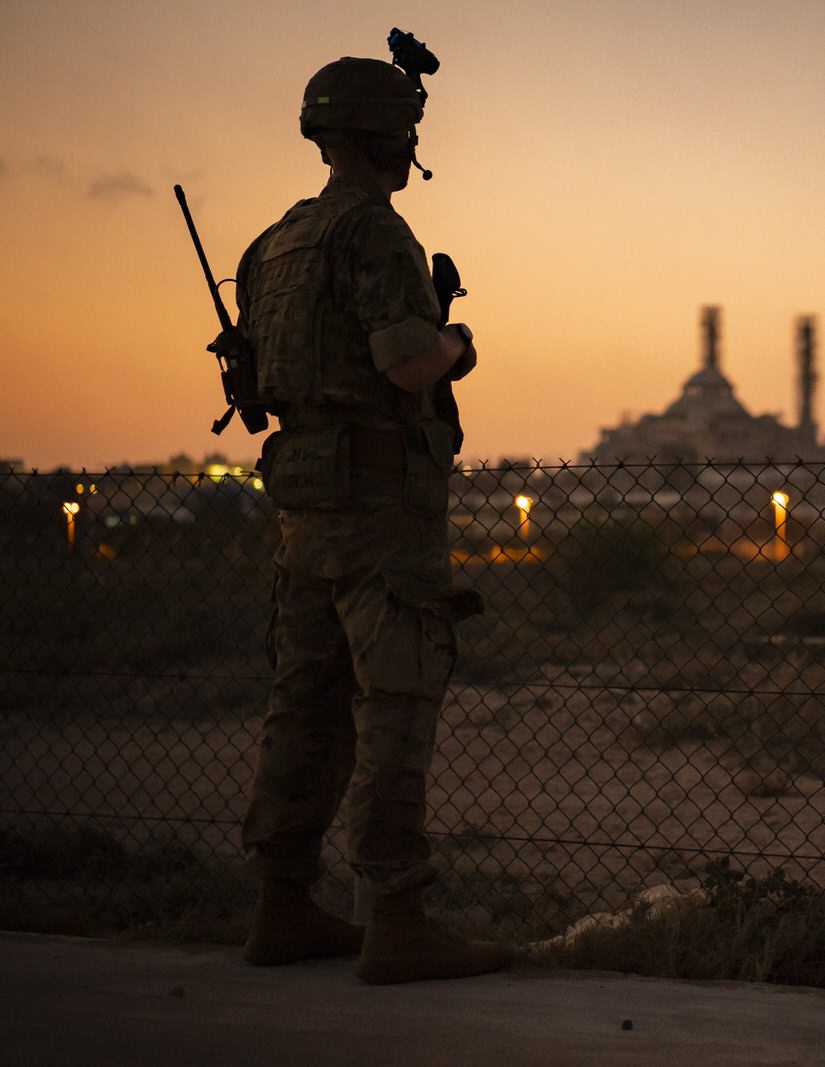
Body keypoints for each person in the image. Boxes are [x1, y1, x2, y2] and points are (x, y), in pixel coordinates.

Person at [235, 54, 511, 984]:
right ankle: (396, 916)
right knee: (395, 701)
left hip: (302, 505)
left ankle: (282, 904)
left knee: (302, 704)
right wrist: (459, 345)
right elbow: (403, 362)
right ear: (389, 135)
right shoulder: (376, 234)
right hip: (379, 507)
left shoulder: (276, 243)